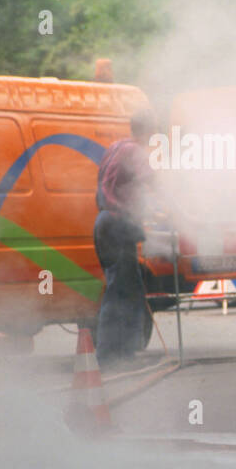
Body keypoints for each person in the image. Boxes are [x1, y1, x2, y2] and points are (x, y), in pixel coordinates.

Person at [93, 109, 156, 365]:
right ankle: (109, 355)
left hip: (104, 223)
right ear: (149, 131)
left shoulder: (116, 146)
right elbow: (151, 184)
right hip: (118, 224)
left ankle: (123, 353)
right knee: (121, 288)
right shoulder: (136, 152)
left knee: (126, 287)